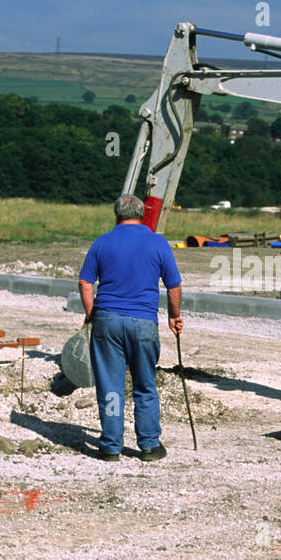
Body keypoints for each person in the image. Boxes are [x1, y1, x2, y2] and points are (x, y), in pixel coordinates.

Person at [78, 195, 184, 462]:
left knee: (111, 386)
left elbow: (85, 282)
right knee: (145, 385)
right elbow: (174, 285)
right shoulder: (158, 243)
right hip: (143, 323)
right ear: (142, 215)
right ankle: (149, 445)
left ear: (116, 215)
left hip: (107, 321)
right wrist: (174, 316)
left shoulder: (102, 242)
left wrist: (92, 314)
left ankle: (111, 447)